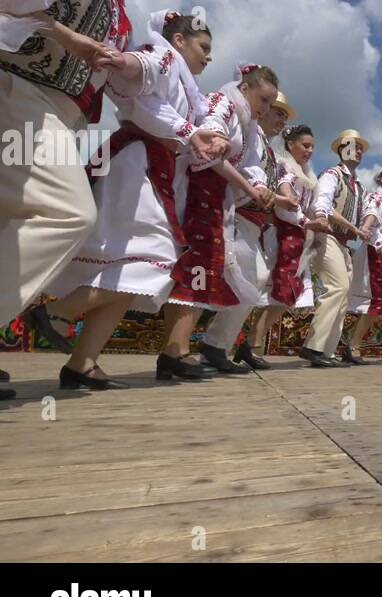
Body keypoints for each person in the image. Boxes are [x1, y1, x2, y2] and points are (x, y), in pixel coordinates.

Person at [29, 10, 224, 390]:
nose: (209, 56)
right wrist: (123, 60)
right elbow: (142, 65)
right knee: (154, 258)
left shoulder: (189, 86)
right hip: (139, 163)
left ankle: (82, 363)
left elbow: (205, 115)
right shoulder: (164, 54)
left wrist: (211, 134)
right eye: (204, 47)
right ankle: (56, 312)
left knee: (128, 268)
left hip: (152, 166)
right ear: (180, 40)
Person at [1, 0, 135, 400]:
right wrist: (66, 35)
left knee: (16, 216)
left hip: (58, 114)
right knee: (67, 212)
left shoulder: (123, 14)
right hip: (21, 88)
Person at [159, 63, 281, 380]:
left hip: (217, 198)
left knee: (202, 267)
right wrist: (248, 187)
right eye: (264, 99)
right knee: (196, 266)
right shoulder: (222, 103)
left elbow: (251, 165)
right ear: (245, 88)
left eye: (270, 103)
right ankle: (177, 350)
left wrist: (260, 188)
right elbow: (211, 146)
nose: (265, 108)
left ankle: (176, 349)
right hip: (196, 189)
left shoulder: (250, 127)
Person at [198, 90, 298, 374]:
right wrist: (277, 197)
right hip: (234, 215)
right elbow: (245, 171)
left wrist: (285, 196)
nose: (281, 120)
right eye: (278, 112)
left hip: (254, 224)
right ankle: (211, 345)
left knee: (254, 280)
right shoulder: (248, 135)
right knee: (238, 279)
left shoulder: (271, 152)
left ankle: (216, 344)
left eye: (283, 116)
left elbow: (283, 180)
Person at [243, 124, 322, 368]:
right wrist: (307, 222)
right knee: (280, 290)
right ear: (291, 145)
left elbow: (308, 205)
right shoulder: (284, 166)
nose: (310, 151)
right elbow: (286, 202)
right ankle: (251, 346)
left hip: (300, 235)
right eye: (305, 146)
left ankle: (251, 345)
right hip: (282, 232)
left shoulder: (309, 174)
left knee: (286, 293)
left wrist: (314, 221)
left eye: (312, 147)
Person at [297, 129, 371, 368]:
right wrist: (354, 228)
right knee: (337, 287)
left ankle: (326, 351)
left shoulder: (358, 186)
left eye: (360, 148)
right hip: (327, 236)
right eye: (352, 146)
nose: (358, 151)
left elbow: (368, 213)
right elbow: (324, 205)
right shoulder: (332, 174)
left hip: (343, 243)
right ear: (342, 149)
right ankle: (313, 347)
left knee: (344, 294)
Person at [344, 164, 382, 364]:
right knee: (376, 299)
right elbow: (371, 222)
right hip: (374, 251)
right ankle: (352, 345)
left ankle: (353, 343)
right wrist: (379, 244)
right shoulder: (376, 197)